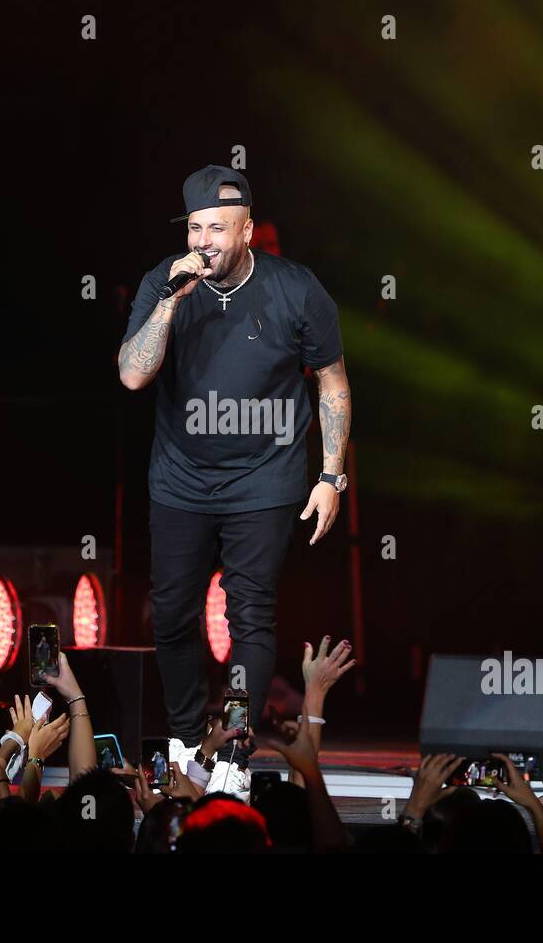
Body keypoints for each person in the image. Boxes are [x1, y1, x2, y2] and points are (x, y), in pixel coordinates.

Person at [118, 165, 353, 799]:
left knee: (248, 612)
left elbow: (332, 381)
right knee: (172, 612)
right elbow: (133, 375)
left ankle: (233, 754)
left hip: (265, 479)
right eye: (196, 228)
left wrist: (332, 476)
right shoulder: (164, 282)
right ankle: (185, 743)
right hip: (181, 478)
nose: (205, 242)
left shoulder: (296, 289)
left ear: (247, 231)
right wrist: (171, 301)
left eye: (218, 229)